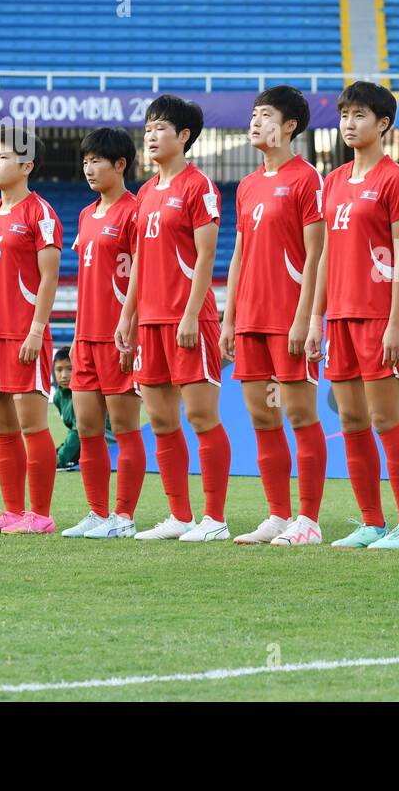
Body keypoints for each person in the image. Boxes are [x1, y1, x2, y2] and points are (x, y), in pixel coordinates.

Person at [304, 81, 399, 549]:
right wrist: (317, 319)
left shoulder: (395, 180)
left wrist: (397, 321)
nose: (349, 124)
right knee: (351, 422)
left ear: (383, 124)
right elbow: (326, 259)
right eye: (345, 115)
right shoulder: (332, 182)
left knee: (386, 420)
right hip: (341, 320)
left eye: (360, 116)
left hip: (379, 319)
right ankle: (372, 521)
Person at [115, 95, 230, 542]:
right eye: (147, 128)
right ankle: (180, 516)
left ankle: (214, 519)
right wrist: (128, 315)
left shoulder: (198, 186)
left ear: (183, 136)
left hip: (189, 321)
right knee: (162, 422)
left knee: (202, 418)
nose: (151, 135)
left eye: (160, 127)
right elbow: (141, 260)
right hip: (150, 323)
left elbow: (206, 257)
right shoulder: (145, 192)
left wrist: (189, 314)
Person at [220, 86, 328, 546]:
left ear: (289, 126)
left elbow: (317, 255)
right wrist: (229, 317)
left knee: (301, 416)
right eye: (253, 115)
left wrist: (307, 319)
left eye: (266, 116)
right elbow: (240, 255)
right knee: (263, 418)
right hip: (250, 321)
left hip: (290, 319)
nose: (255, 122)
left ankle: (309, 519)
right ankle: (278, 515)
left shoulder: (306, 179)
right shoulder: (247, 186)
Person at [0, 126, 63, 535]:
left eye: (2, 158)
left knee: (31, 425)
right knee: (2, 428)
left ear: (26, 166)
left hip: (23, 334)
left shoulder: (40, 213)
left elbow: (49, 278)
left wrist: (37, 330)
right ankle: (11, 511)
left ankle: (40, 515)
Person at [61, 127, 147, 539]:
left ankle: (124, 517)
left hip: (120, 337)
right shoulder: (85, 214)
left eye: (97, 160)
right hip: (85, 337)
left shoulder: (135, 211)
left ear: (120, 165)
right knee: (88, 428)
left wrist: (131, 329)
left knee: (127, 429)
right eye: (85, 161)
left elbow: (143, 276)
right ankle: (97, 513)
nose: (89, 168)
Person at [51, 346, 79, 472]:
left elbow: (77, 432)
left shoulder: (81, 395)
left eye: (69, 369)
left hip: (109, 441)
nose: (64, 375)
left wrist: (60, 459)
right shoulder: (58, 396)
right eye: (59, 370)